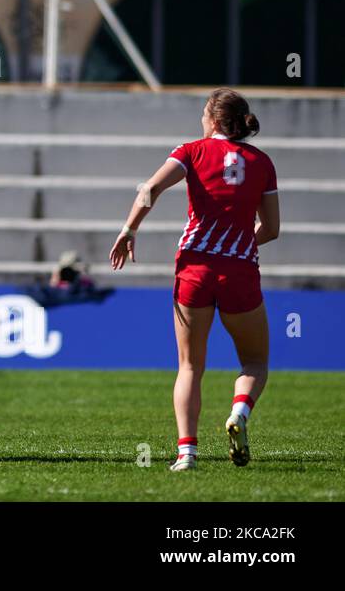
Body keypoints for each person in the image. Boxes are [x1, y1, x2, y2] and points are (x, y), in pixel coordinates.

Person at [109, 88, 279, 473]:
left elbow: (150, 189)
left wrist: (129, 230)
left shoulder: (191, 151)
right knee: (254, 362)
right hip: (239, 269)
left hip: (195, 268)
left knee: (189, 367)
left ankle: (186, 453)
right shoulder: (262, 162)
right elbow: (271, 229)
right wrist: (236, 240)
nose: (202, 121)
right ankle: (239, 413)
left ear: (215, 121)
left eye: (205, 114)